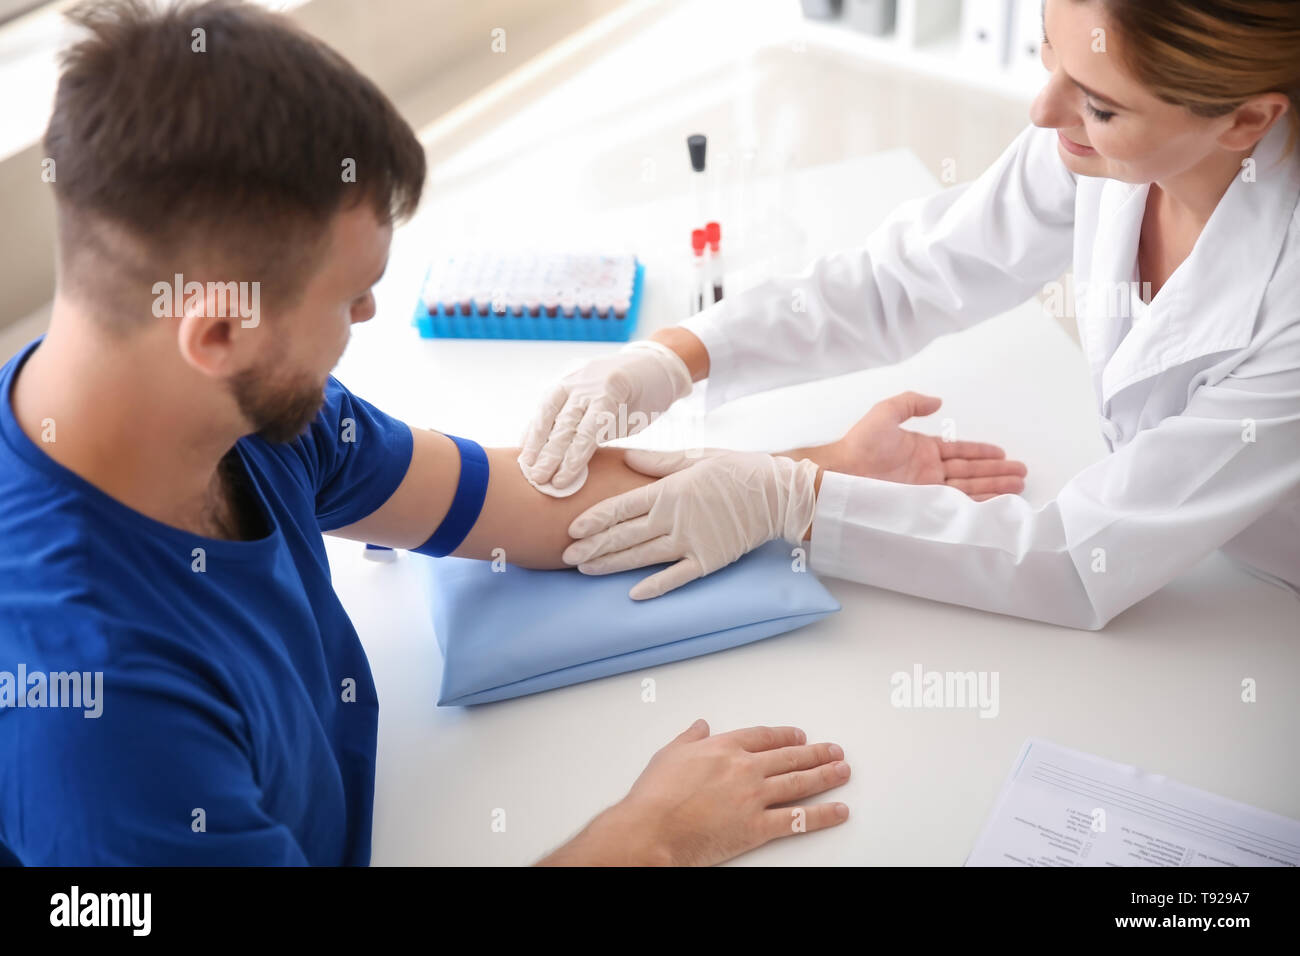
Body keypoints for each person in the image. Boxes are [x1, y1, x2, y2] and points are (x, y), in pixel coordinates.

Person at [0, 0, 1023, 866]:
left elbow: (511, 501)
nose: (366, 326)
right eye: (353, 299)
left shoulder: (230, 413)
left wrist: (810, 476)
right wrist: (643, 837)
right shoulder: (100, 725)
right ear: (218, 329)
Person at [525, 0, 1300, 627]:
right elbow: (905, 279)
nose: (1043, 110)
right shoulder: (1100, 137)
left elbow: (1073, 562)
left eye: (1098, 104)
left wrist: (791, 498)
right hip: (1195, 561)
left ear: (1244, 122)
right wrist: (677, 353)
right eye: (1048, 53)